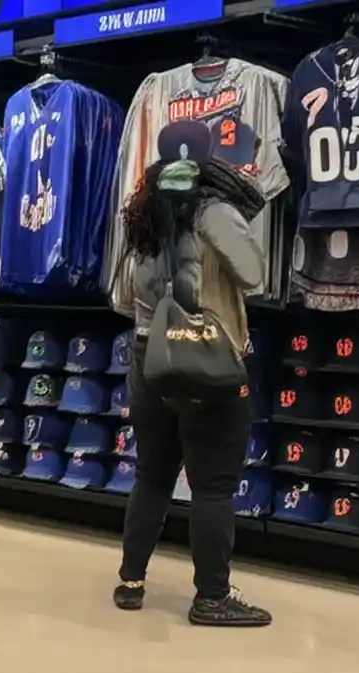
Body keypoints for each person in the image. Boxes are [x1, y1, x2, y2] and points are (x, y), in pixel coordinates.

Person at [112, 121, 270, 627]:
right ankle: (211, 598)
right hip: (208, 361)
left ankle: (132, 582)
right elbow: (255, 276)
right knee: (213, 487)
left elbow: (120, 294)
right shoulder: (215, 210)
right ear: (208, 158)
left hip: (149, 358)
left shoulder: (142, 212)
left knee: (151, 476)